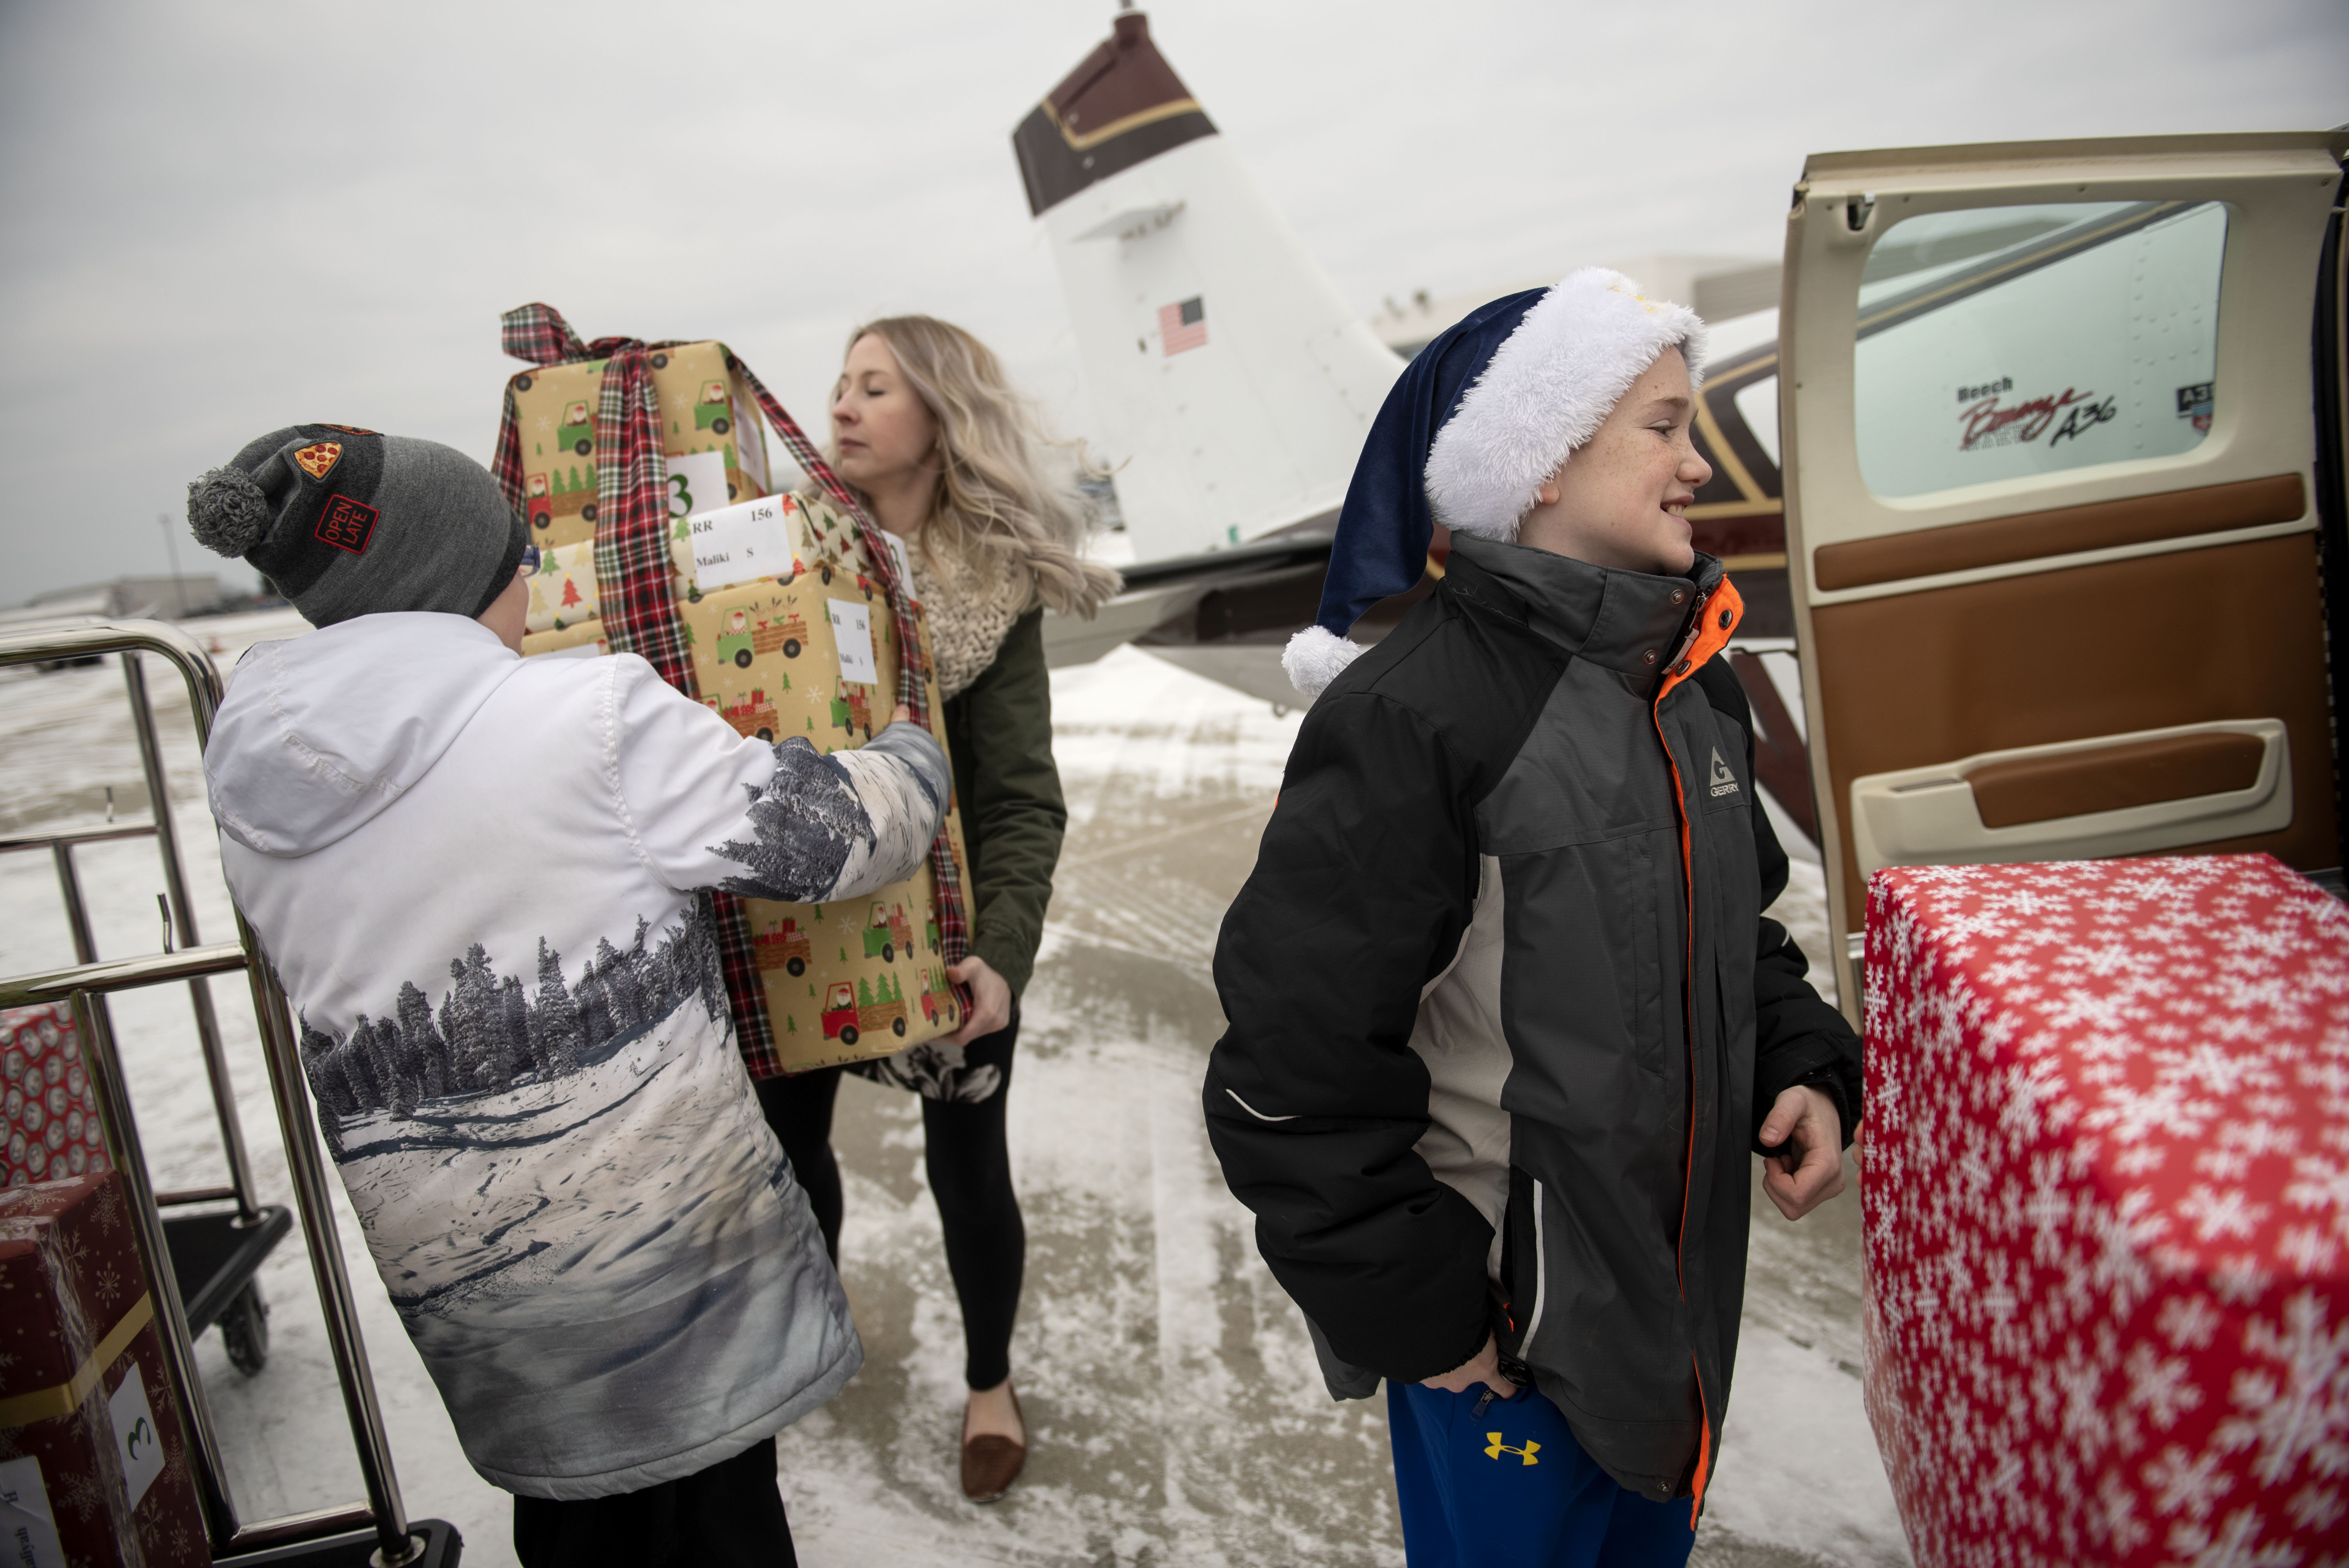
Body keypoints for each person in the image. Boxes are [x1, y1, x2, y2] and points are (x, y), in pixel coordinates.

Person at [189, 425, 950, 1567]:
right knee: (719, 1525)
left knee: (573, 1522)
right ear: (452, 580)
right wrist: (911, 751)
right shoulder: (582, 718)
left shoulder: (251, 781)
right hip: (667, 1281)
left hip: (475, 1299)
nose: (534, 586)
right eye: (515, 562)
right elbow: (831, 840)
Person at [1203, 271, 1865, 1568]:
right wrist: (1429, 1313)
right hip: (1506, 1346)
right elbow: (1291, 1067)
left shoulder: (1690, 685)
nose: (1697, 464)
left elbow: (1736, 937)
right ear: (1542, 463)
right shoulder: (1418, 717)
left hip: (1672, 1308)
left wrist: (1797, 1058)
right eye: (1665, 427)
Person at [753, 317, 1121, 1502]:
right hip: (792, 920)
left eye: (877, 388)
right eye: (841, 386)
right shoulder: (780, 565)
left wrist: (1001, 959)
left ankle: (990, 1381)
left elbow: (1021, 801)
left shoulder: (988, 591)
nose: (845, 407)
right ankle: (810, 1343)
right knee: (791, 1151)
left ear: (939, 417)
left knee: (971, 1168)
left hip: (949, 934)